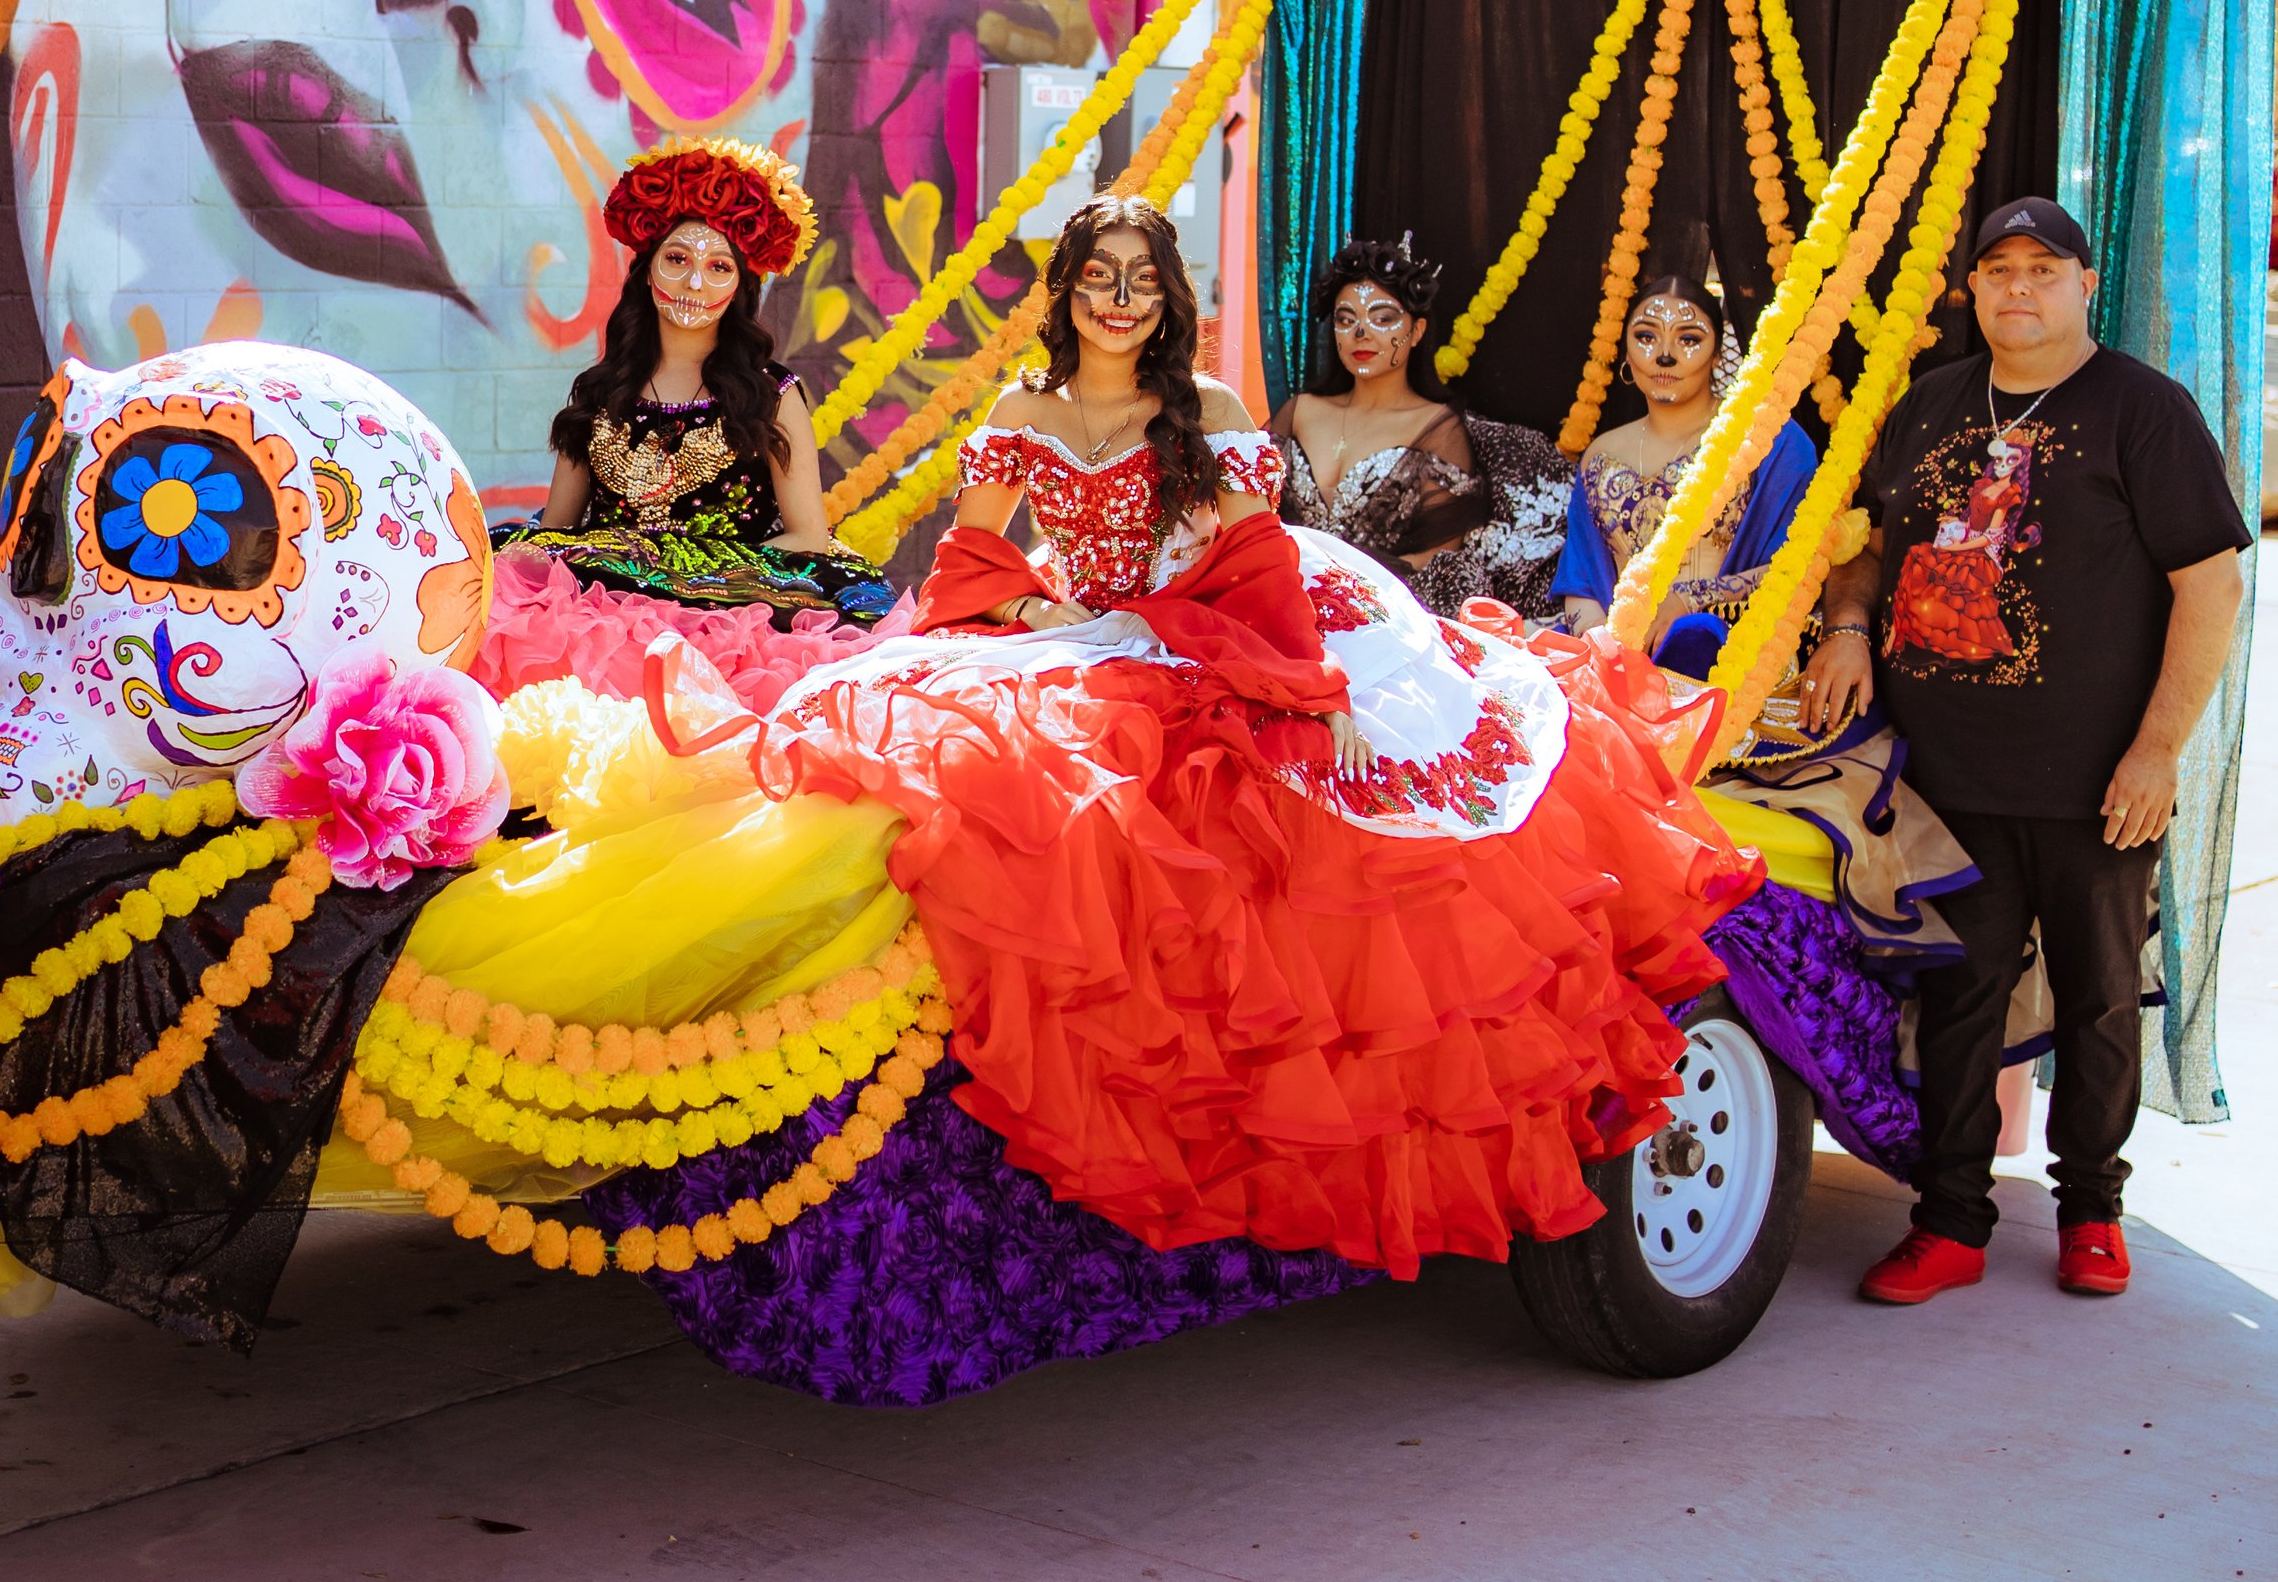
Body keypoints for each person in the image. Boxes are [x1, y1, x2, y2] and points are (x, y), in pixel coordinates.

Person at [756, 197, 1755, 1277]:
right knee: (944, 742)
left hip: (1214, 618)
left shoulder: (1211, 406)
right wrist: (1035, 609)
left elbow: (1254, 563)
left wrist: (1313, 686)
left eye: (1143, 280)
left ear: (1169, 298)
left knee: (1266, 808)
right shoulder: (1022, 407)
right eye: (1099, 277)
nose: (1120, 301)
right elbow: (973, 560)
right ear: (1067, 290)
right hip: (1078, 627)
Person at [1800, 197, 2249, 1305]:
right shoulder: (1930, 403)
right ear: (1973, 291)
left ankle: (2091, 1210)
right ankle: (1951, 1222)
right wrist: (1848, 624)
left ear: (2085, 285)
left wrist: (2157, 752)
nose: (2019, 288)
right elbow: (1866, 543)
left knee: (2098, 1000)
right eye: (1999, 270)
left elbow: (2211, 588)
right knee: (1960, 999)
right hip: (1947, 777)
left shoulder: (2143, 409)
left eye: (2043, 269)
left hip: (2098, 781)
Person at [484, 138, 895, 705]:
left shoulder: (772, 395)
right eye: (677, 260)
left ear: (740, 287)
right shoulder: (600, 392)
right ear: (647, 270)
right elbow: (558, 529)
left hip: (734, 624)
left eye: (718, 267)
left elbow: (809, 535)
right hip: (601, 622)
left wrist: (683, 584)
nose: (694, 284)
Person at [1269, 234, 1574, 624]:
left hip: (1380, 617)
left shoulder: (1437, 429)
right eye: (1346, 320)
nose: (1361, 332)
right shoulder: (1299, 412)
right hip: (1283, 601)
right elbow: (1250, 510)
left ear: (1416, 331)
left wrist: (1346, 601)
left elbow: (1436, 562)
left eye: (1383, 318)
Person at [1556, 273, 1816, 675]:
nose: (1665, 356)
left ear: (1718, 355)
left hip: (1732, 652)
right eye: (1647, 336)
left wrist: (1689, 599)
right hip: (1618, 658)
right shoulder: (1601, 455)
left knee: (1695, 638)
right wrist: (1602, 649)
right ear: (1625, 350)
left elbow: (1802, 566)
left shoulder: (1766, 439)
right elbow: (1581, 582)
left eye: (1688, 339)